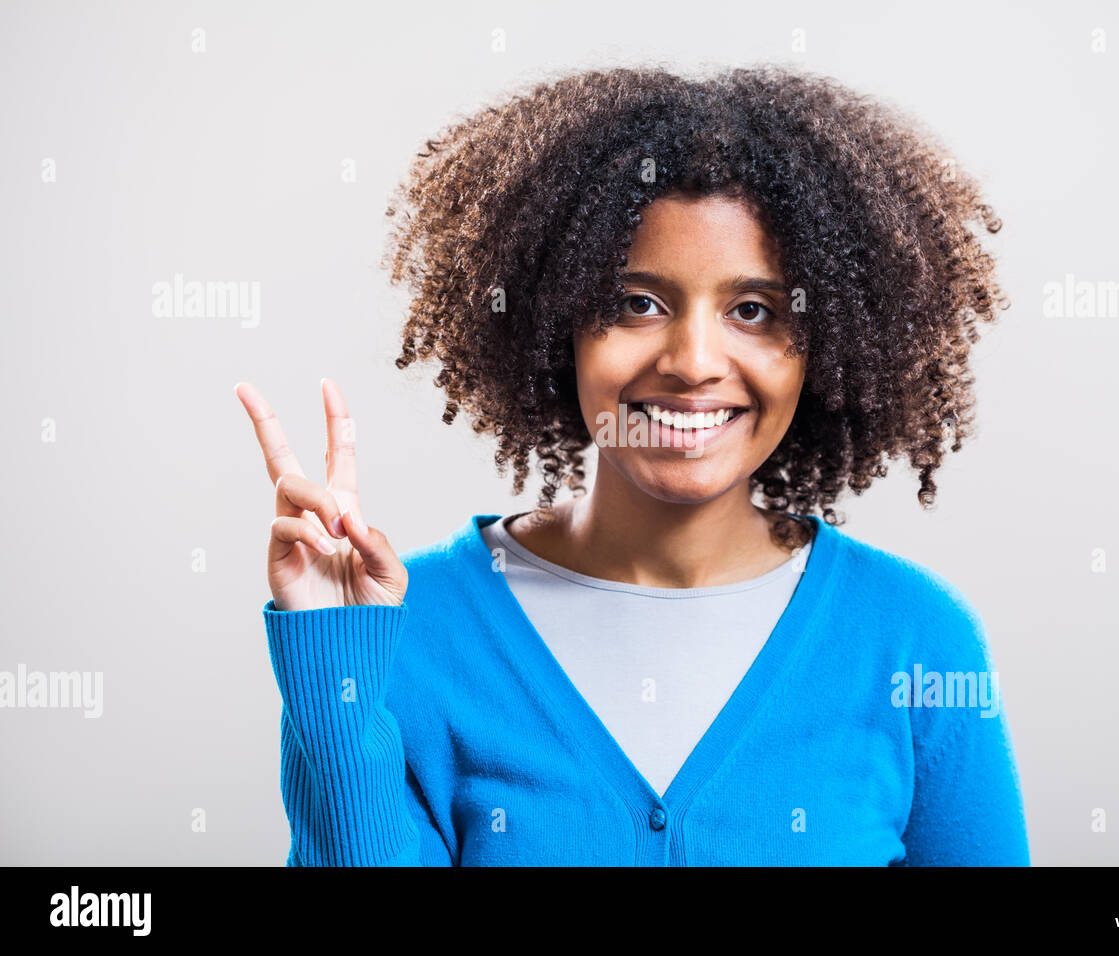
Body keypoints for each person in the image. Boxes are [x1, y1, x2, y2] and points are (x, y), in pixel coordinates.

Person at [235, 64, 1030, 866]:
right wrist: (336, 659)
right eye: (636, 304)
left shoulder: (915, 641)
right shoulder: (404, 624)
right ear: (556, 324)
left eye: (752, 312)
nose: (692, 362)